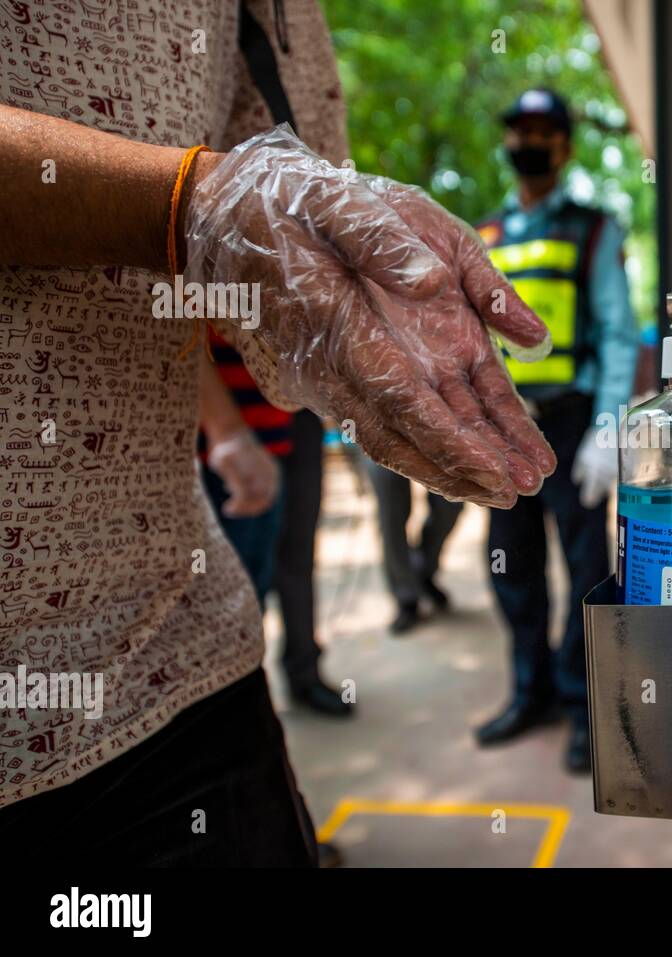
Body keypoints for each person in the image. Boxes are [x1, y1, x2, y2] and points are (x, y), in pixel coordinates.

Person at [0, 0, 553, 865]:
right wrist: (189, 201)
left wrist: (351, 274)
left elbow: (262, 197)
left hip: (181, 644)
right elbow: (206, 199)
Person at [473, 89, 639, 773]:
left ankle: (582, 705)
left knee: (584, 569)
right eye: (520, 130)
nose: (529, 142)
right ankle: (529, 690)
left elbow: (618, 332)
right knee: (510, 567)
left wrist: (608, 428)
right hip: (506, 426)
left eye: (544, 131)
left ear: (565, 146)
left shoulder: (595, 228)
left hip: (572, 424)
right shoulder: (482, 235)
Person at [199, 340, 352, 715]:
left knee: (297, 559)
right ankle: (234, 695)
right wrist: (225, 429)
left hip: (297, 419)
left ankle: (304, 672)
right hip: (233, 422)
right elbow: (172, 331)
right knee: (242, 578)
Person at [366, 460, 463, 634]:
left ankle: (424, 571)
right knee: (390, 511)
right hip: (379, 433)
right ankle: (406, 596)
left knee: (451, 502)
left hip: (443, 434)